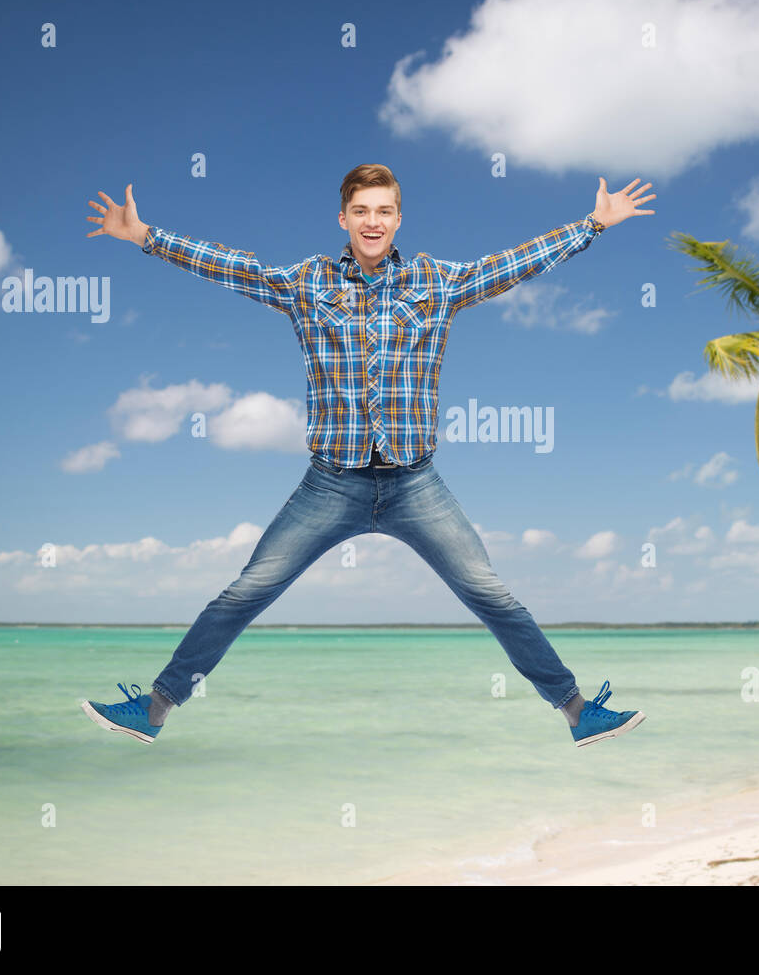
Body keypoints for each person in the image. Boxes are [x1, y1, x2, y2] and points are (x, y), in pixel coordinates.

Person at [79, 164, 655, 748]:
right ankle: (153, 709)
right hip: (330, 483)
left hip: (415, 483)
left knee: (490, 595)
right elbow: (233, 267)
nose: (372, 222)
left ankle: (579, 713)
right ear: (344, 219)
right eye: (361, 211)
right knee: (246, 591)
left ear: (398, 219)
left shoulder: (437, 282)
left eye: (383, 211)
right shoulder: (309, 282)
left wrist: (593, 226)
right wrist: (147, 237)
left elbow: (508, 265)